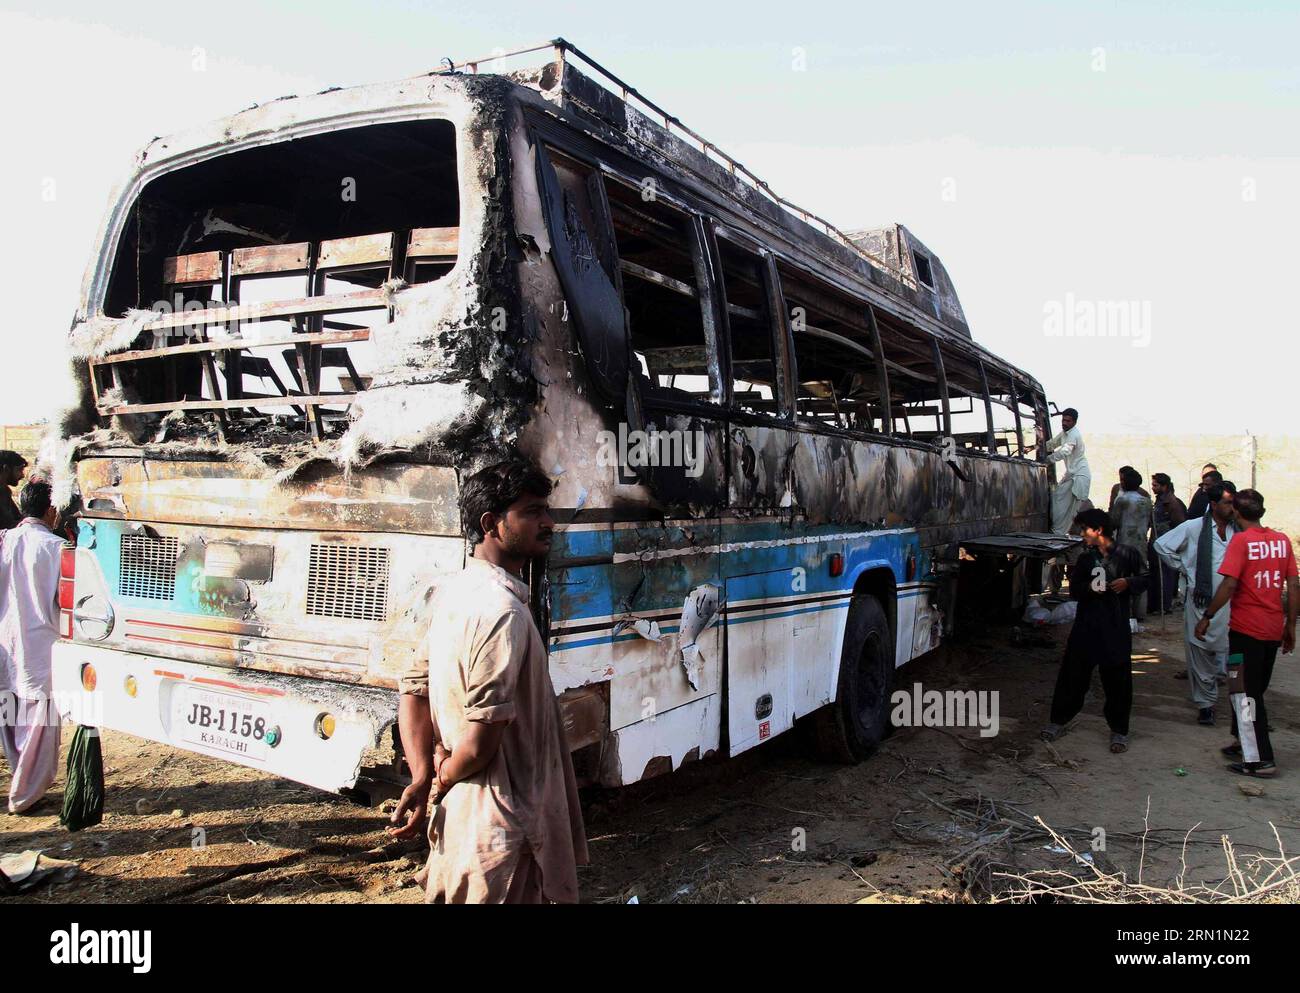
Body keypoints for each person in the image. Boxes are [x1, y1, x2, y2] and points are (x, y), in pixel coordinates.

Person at [390, 457, 588, 902]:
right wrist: (440, 776)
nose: (549, 523)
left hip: (466, 822)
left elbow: (413, 689)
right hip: (503, 825)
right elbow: (480, 744)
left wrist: (421, 775)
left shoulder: (452, 592)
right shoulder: (503, 613)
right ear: (491, 523)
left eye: (547, 511)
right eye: (533, 512)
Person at [1195, 489, 1297, 777]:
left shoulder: (1241, 541)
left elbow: (1228, 586)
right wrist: (1289, 625)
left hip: (1244, 631)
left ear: (1237, 513)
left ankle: (1260, 759)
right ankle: (1244, 741)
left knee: (1245, 693)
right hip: (1271, 629)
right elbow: (1293, 584)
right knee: (1254, 688)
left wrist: (1207, 616)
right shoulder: (1281, 541)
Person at [1041, 508, 1148, 753]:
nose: (1081, 534)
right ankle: (1058, 721)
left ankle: (1119, 730)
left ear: (1098, 530)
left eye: (1084, 529)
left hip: (1115, 627)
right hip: (1086, 627)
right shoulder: (1086, 559)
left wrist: (1127, 583)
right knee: (1072, 676)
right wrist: (1089, 588)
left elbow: (1145, 578)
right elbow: (1075, 590)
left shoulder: (1128, 554)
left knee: (1118, 681)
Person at [0, 479, 65, 813]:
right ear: (51, 508)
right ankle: (27, 793)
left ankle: (18, 778)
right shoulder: (55, 548)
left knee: (9, 714)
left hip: (5, 643)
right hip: (39, 645)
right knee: (39, 722)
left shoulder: (4, 539)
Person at [1155, 482, 1238, 725]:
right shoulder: (1194, 527)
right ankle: (1206, 705)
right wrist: (1186, 568)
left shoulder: (1238, 531)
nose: (1232, 507)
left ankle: (1240, 703)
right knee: (1199, 652)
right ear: (1213, 505)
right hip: (1202, 599)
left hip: (1233, 601)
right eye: (1227, 503)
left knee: (1232, 651)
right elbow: (1162, 545)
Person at [1110, 466, 1152, 626]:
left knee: (1123, 576)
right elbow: (1148, 523)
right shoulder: (1146, 501)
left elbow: (1114, 521)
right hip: (1141, 543)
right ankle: (1140, 612)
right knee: (1141, 575)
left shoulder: (1122, 500)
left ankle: (1124, 611)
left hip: (1124, 543)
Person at [1043, 408, 1091, 535]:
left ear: (1074, 422)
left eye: (1068, 421)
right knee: (1058, 499)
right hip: (1071, 474)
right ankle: (1057, 533)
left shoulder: (1074, 434)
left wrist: (1047, 460)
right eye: (1063, 420)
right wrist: (1035, 446)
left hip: (1079, 476)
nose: (1064, 423)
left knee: (1062, 507)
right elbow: (1051, 444)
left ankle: (1058, 535)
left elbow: (1065, 451)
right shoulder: (1065, 433)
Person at [1148, 472, 1187, 614]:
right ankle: (1154, 605)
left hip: (1167, 544)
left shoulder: (1172, 503)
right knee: (1155, 574)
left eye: (1155, 485)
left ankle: (1164, 606)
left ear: (1164, 486)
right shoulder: (1159, 501)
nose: (1153, 488)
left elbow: (1180, 525)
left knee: (1165, 575)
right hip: (1155, 542)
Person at [0, 451, 28, 531]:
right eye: (19, 470)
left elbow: (17, 520)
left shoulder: (5, 492)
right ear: (6, 469)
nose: (22, 475)